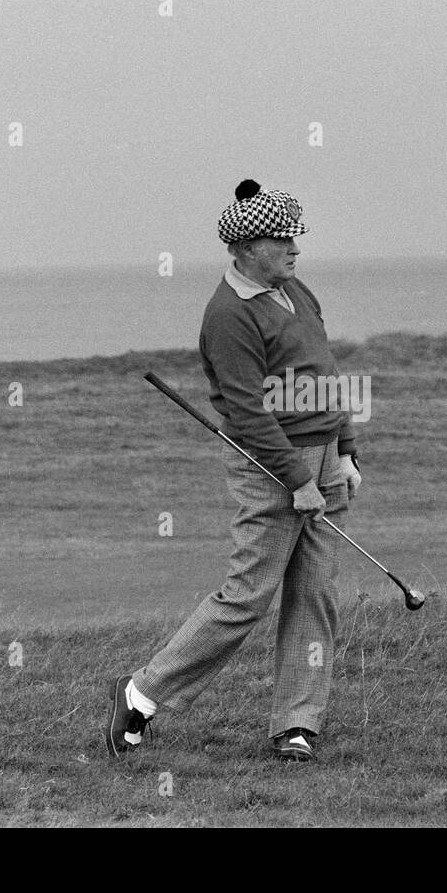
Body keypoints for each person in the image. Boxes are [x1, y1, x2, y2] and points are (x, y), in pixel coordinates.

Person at [107, 179, 361, 762]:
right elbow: (248, 412)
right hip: (272, 465)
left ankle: (297, 724)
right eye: (281, 239)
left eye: (295, 237)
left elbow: (325, 371)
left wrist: (345, 450)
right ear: (245, 247)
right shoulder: (228, 316)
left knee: (314, 593)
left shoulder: (296, 290)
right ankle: (140, 694)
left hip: (321, 458)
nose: (294, 248)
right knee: (249, 593)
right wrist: (298, 481)